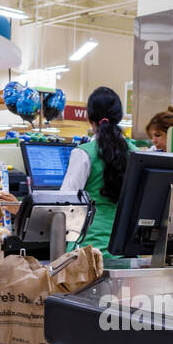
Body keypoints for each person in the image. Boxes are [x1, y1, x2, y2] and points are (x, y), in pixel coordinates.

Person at [60, 87, 136, 257]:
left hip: (89, 251)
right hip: (126, 250)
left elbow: (65, 203)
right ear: (120, 116)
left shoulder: (83, 153)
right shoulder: (137, 153)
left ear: (89, 117)